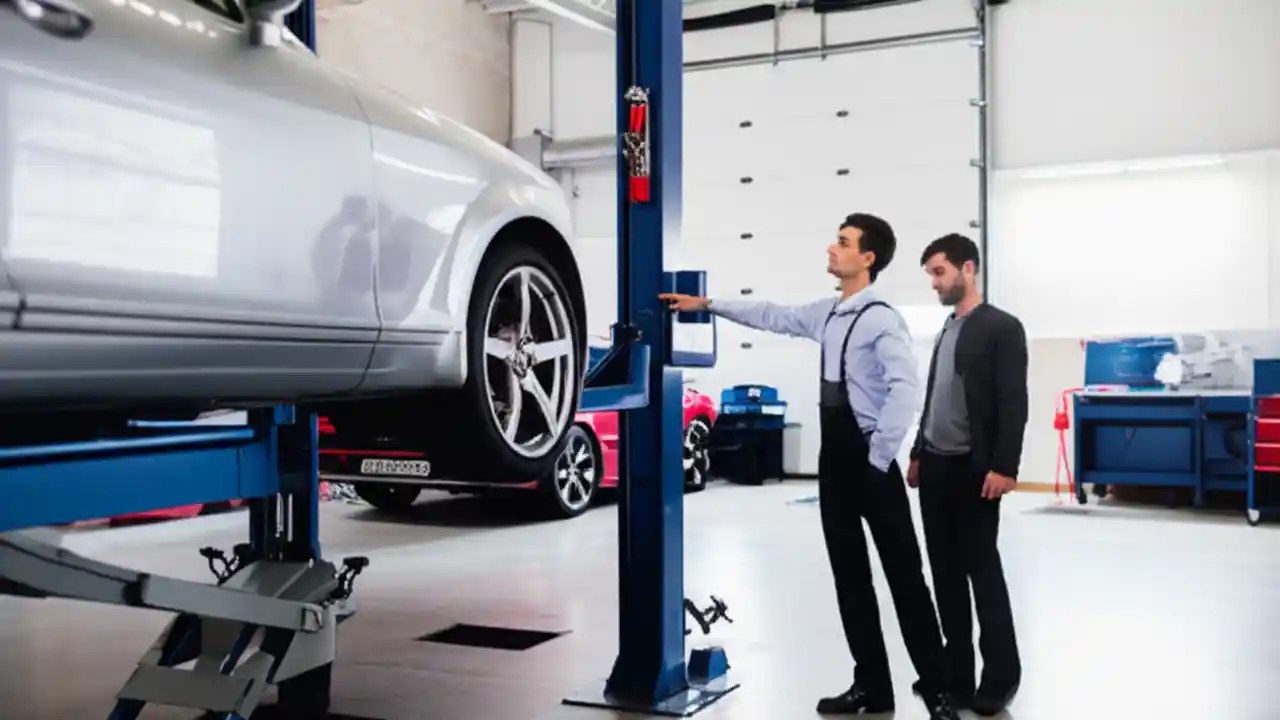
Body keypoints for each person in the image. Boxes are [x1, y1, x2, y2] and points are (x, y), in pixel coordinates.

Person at [660, 213, 959, 720]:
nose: (830, 249)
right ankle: (872, 687)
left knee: (906, 581)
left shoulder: (882, 317)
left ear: (867, 258)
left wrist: (879, 456)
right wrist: (709, 305)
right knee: (850, 580)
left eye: (842, 243)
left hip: (870, 461)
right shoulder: (828, 313)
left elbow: (905, 390)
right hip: (834, 462)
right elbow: (771, 314)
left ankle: (940, 693)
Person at [907, 233, 1027, 716]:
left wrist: (1005, 465)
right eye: (931, 275)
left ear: (968, 269)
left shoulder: (1001, 327)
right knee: (945, 577)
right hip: (935, 467)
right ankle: (956, 677)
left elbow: (1013, 402)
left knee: (982, 574)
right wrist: (917, 451)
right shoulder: (945, 329)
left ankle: (999, 679)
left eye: (940, 272)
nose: (935, 283)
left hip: (975, 472)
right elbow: (934, 395)